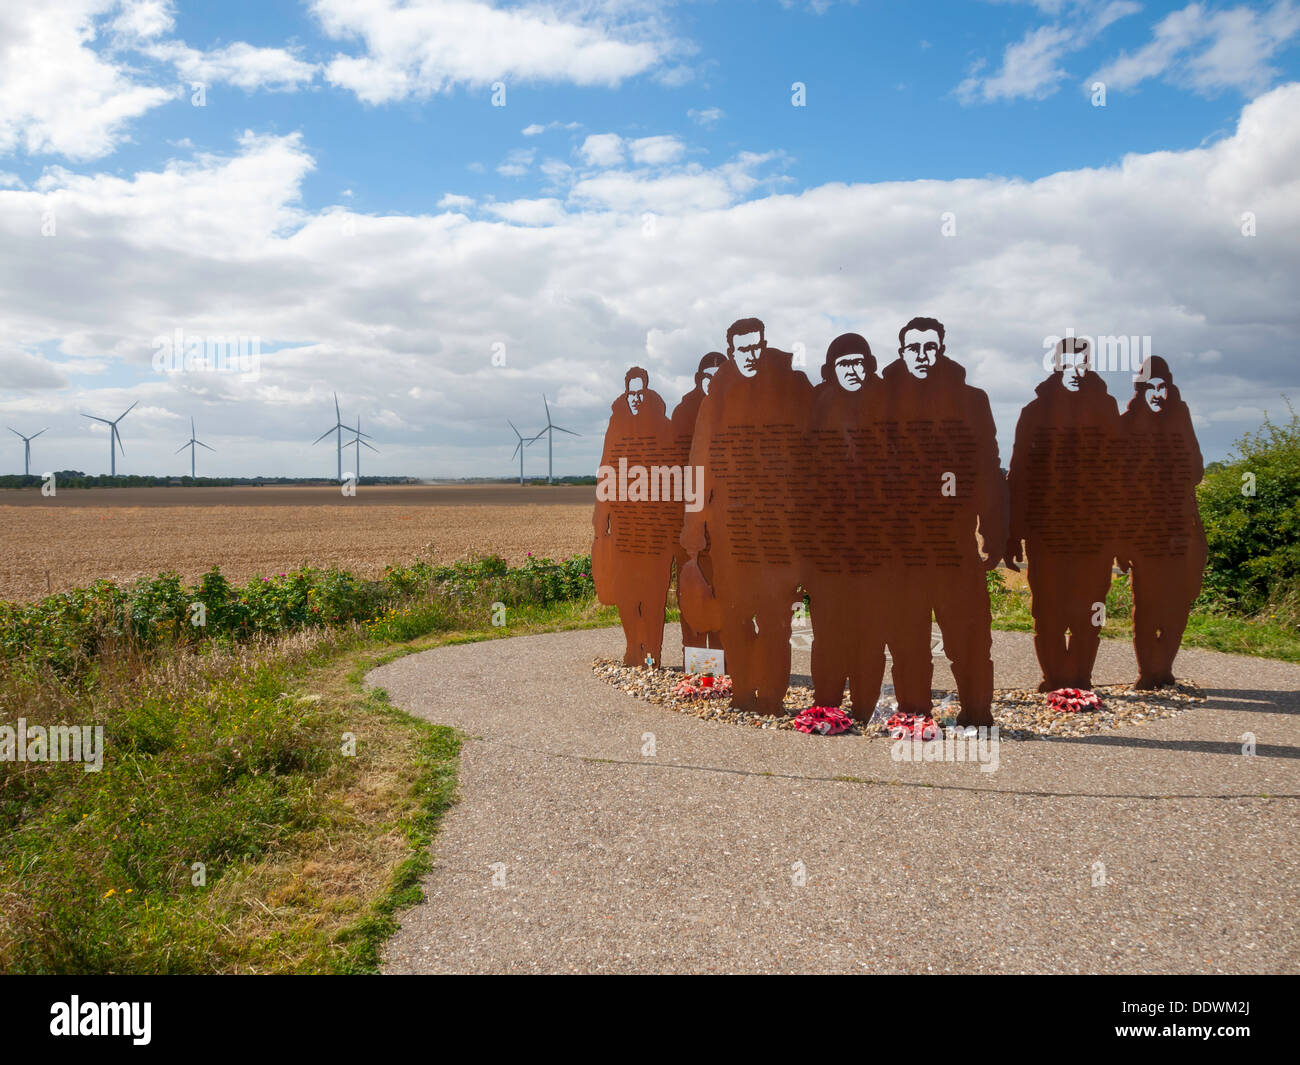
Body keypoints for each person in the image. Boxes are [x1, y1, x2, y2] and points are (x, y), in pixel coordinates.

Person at [680, 318, 814, 714]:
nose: (751, 356)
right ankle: (741, 693)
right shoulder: (715, 399)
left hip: (778, 532)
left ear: (764, 344)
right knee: (735, 616)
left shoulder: (793, 388)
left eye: (756, 347)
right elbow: (699, 466)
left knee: (776, 622)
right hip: (731, 532)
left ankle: (771, 697)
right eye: (742, 350)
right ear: (732, 350)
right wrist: (694, 528)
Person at [879, 317, 1007, 726]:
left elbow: (988, 467)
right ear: (901, 352)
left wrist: (993, 530)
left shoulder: (971, 401)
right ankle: (913, 713)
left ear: (942, 349)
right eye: (913, 348)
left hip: (954, 544)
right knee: (906, 638)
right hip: (900, 548)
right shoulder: (882, 400)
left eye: (930, 347)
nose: (921, 356)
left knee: (969, 636)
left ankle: (977, 713)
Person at [1006, 337, 1120, 691]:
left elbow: (1121, 471)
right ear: (1055, 365)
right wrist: (1013, 533)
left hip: (1094, 531)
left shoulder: (1105, 408)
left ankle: (1081, 678)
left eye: (1080, 363)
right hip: (1047, 532)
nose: (1073, 370)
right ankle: (1054, 678)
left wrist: (1122, 532)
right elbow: (1019, 473)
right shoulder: (1034, 412)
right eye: (1065, 363)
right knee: (1047, 609)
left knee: (1090, 609)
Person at [802, 333, 892, 715]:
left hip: (875, 541)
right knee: (828, 627)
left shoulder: (886, 404)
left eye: (858, 363)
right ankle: (826, 702)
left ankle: (866, 703)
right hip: (828, 541)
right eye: (844, 364)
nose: (852, 371)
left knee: (871, 627)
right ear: (831, 369)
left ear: (868, 364)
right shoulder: (816, 408)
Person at [1118, 355, 1207, 688]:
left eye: (1163, 387)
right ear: (1140, 390)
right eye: (1150, 387)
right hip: (1142, 531)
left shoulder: (1180, 418)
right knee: (1146, 602)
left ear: (1171, 389)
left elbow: (1196, 471)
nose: (1157, 394)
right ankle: (1147, 671)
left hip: (1179, 527)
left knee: (1178, 599)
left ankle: (1164, 668)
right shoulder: (1125, 424)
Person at [592, 366, 680, 666]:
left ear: (648, 392)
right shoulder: (615, 428)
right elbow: (606, 469)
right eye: (631, 393)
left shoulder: (665, 428)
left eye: (641, 393)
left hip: (656, 530)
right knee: (627, 591)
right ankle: (634, 648)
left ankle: (653, 650)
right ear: (626, 392)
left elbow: (676, 477)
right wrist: (600, 516)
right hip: (625, 527)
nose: (636, 399)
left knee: (654, 593)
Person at [670, 353, 727, 652]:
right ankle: (694, 655)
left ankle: (722, 657)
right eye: (708, 376)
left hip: (722, 527)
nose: (713, 381)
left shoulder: (732, 408)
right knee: (691, 593)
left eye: (720, 375)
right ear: (699, 378)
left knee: (721, 594)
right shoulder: (684, 411)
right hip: (688, 525)